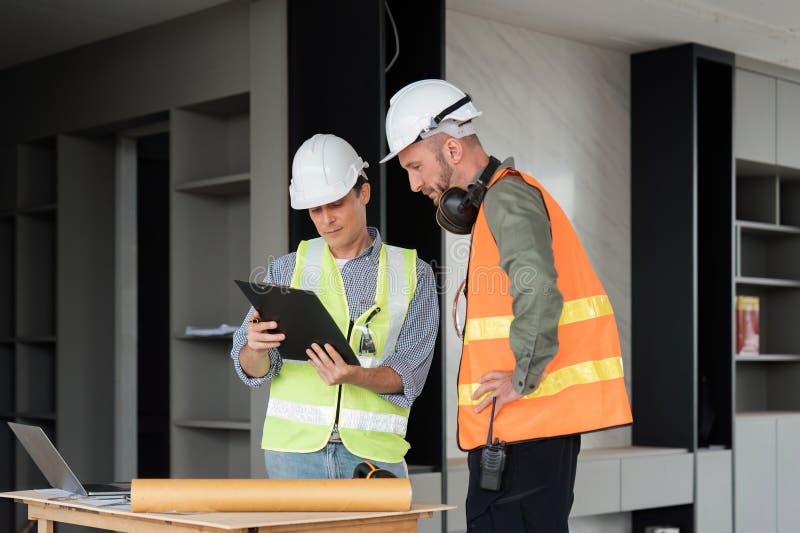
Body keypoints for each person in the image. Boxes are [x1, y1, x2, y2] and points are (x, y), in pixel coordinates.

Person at [381, 80, 632, 531]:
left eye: (415, 167)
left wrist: (523, 375)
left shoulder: (506, 198)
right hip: (519, 432)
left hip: (525, 432)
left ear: (453, 150)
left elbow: (539, 288)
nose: (415, 184)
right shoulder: (496, 203)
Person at [231, 133, 438, 479]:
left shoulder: (413, 273)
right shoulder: (286, 269)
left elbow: (410, 375)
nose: (326, 219)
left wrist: (355, 376)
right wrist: (255, 348)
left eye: (336, 204)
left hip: (373, 456)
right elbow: (250, 369)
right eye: (316, 209)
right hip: (293, 455)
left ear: (364, 193)